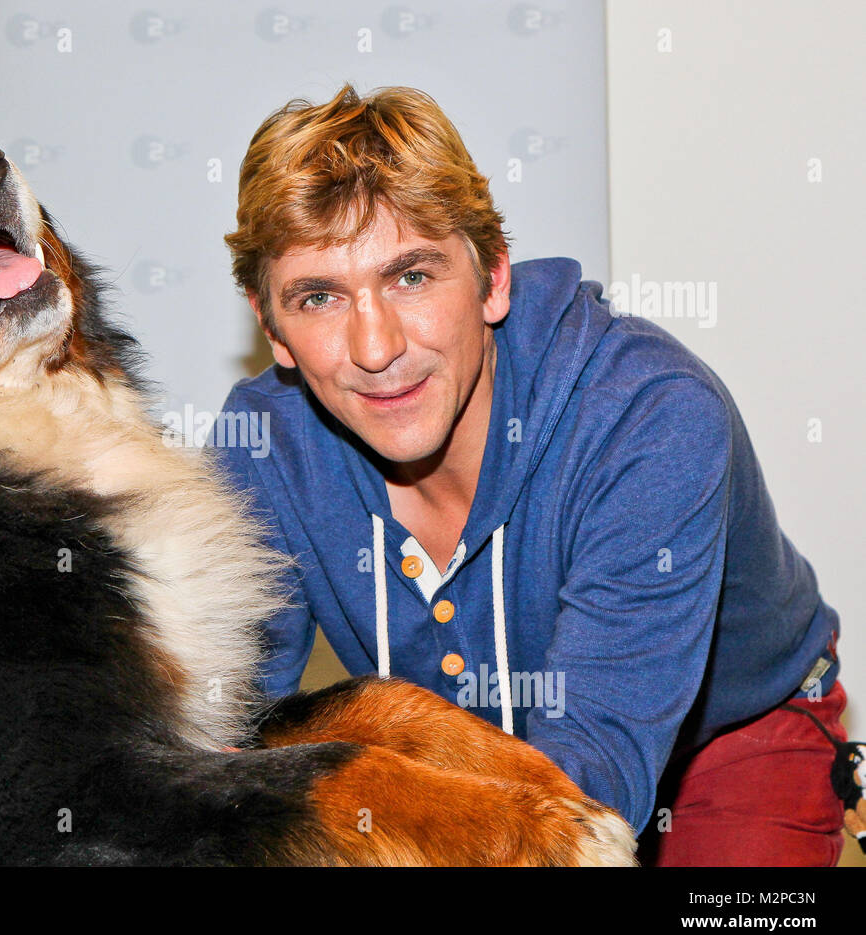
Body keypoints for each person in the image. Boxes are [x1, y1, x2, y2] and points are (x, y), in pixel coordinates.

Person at [213, 83, 848, 865]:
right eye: (317, 297)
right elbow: (229, 733)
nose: (374, 347)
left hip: (731, 737)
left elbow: (592, 788)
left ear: (494, 278)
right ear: (271, 327)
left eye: (411, 276)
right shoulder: (259, 446)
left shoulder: (650, 416)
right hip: (467, 762)